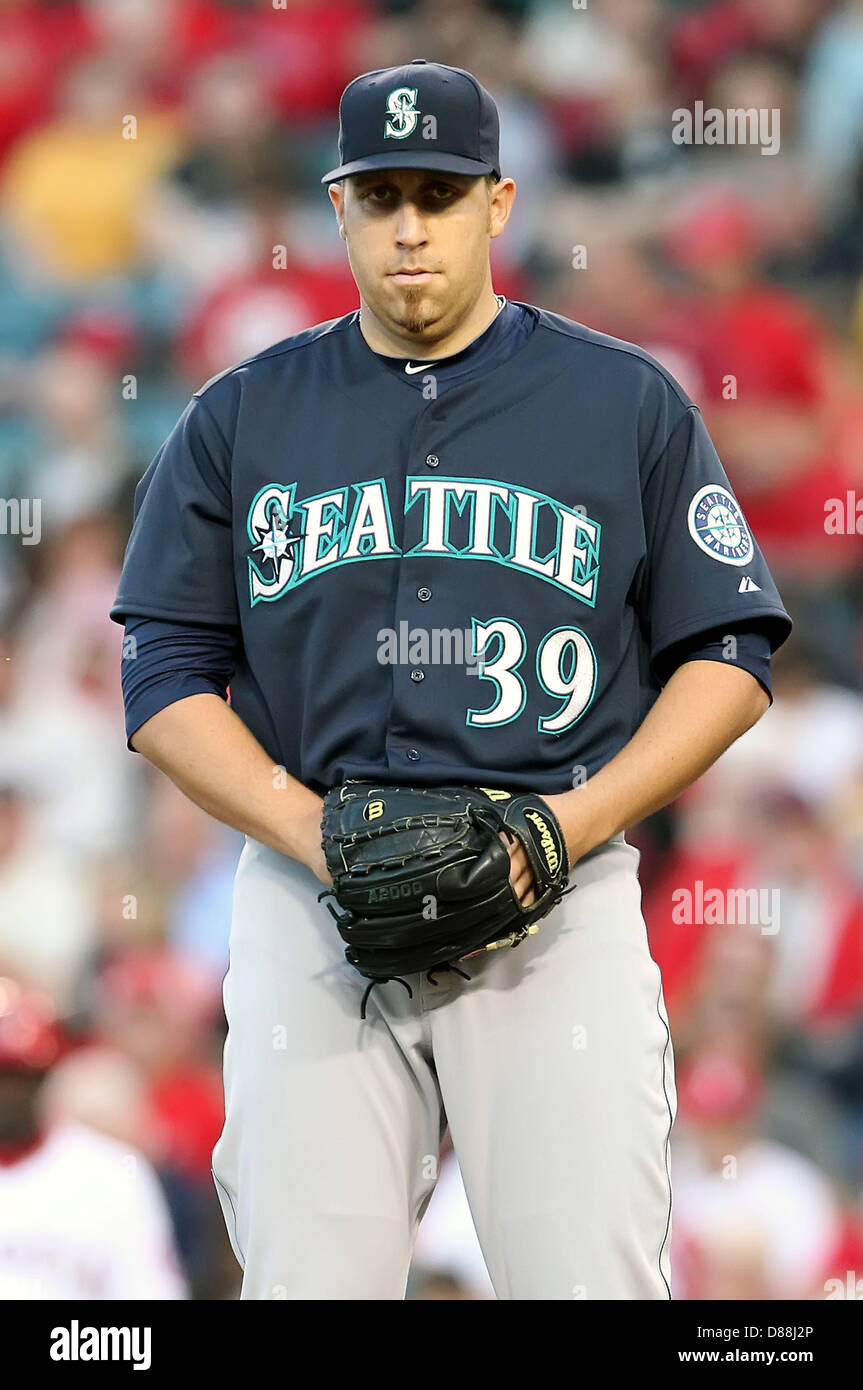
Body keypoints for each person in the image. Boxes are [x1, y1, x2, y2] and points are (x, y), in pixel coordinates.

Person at [110, 60, 792, 1300]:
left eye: (439, 191)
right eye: (381, 196)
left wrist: (561, 828)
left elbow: (729, 656)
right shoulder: (242, 414)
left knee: (588, 1283)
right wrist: (309, 834)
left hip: (557, 897)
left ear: (497, 202)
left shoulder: (621, 401)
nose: (409, 225)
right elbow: (161, 676)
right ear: (340, 209)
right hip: (313, 894)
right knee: (309, 1285)